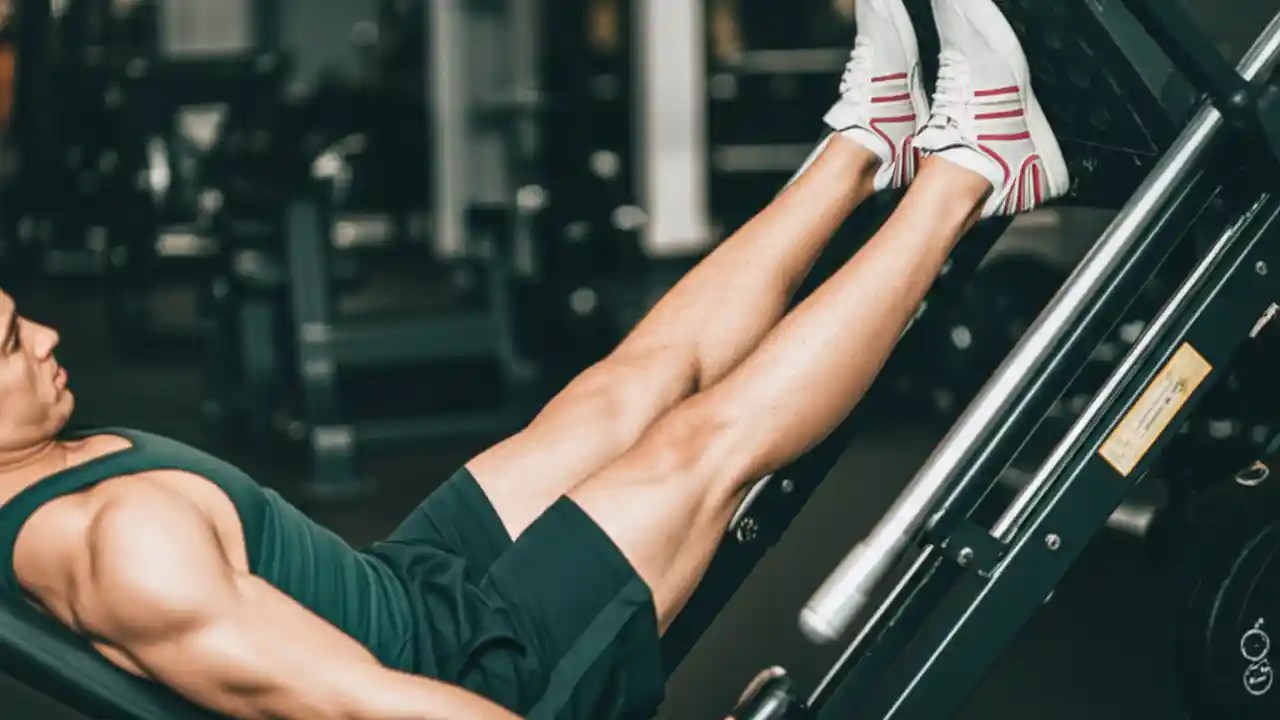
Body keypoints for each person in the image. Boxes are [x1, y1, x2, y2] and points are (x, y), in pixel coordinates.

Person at [0, 0, 1068, 718]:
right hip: (471, 674)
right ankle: (974, 170)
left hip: (405, 590)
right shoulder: (116, 548)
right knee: (702, 446)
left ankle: (865, 143)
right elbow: (360, 707)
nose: (47, 335)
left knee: (626, 384)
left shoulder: (52, 480)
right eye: (10, 343)